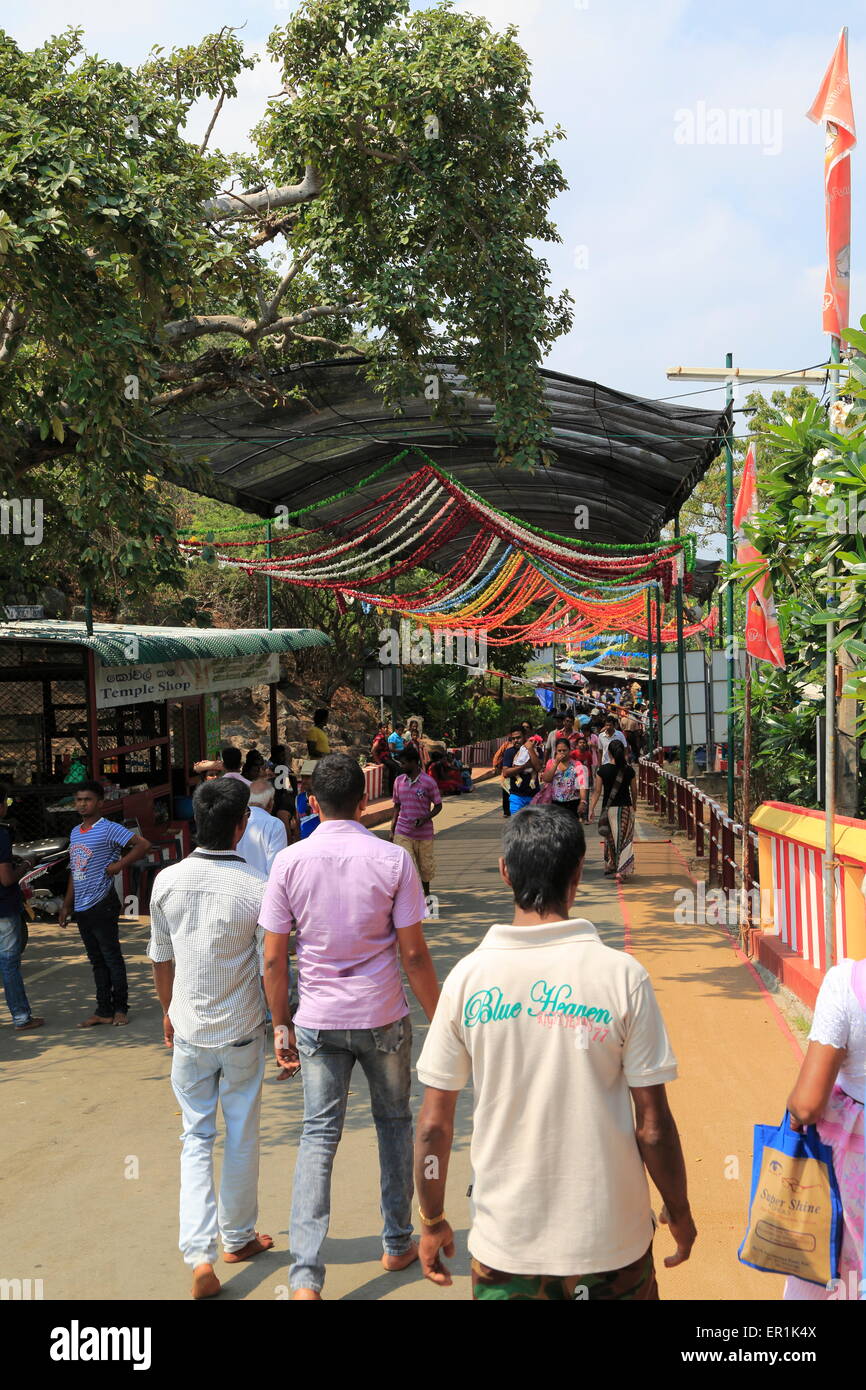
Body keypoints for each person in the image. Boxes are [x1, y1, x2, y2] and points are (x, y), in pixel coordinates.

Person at [413, 806, 694, 1300]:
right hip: (613, 1240)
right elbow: (653, 1125)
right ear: (578, 873)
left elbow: (434, 1127)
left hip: (507, 1246)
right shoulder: (622, 977)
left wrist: (432, 1219)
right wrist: (680, 1207)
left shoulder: (466, 980)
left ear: (505, 870)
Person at [260, 753, 441, 1300]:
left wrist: (280, 1027)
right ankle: (397, 1241)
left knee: (318, 1135)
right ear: (365, 802)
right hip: (383, 1015)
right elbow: (413, 955)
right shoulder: (393, 861)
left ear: (312, 803)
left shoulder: (289, 862)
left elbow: (273, 960)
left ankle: (306, 1278)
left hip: (316, 1022)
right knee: (393, 1123)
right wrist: (444, 1018)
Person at [148, 778, 273, 1300]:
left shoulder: (166, 882)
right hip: (242, 1031)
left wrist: (167, 1012)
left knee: (195, 1139)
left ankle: (199, 1258)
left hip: (190, 1031)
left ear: (195, 822)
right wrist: (283, 1026)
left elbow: (161, 957)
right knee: (241, 1132)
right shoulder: (259, 889)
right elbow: (272, 967)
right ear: (242, 826)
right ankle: (237, 1238)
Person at [784, 957, 866, 1301]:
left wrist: (795, 1110)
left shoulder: (847, 983)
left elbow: (807, 1104)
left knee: (833, 1273)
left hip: (853, 1169)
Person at [59, 782, 151, 1028]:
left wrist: (119, 865)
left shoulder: (109, 829)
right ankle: (103, 1010)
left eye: (87, 799)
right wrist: (67, 905)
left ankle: (120, 1008)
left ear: (100, 802)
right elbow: (74, 869)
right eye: (78, 800)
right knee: (96, 959)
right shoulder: (76, 832)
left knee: (111, 957)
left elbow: (143, 845)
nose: (82, 804)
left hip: (102, 902)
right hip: (82, 905)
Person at [0, 786, 42, 1030]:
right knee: (8, 963)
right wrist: (26, 864)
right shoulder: (2, 834)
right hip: (3, 908)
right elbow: (6, 878)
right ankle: (21, 1017)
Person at [391, 746, 442, 899]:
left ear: (414, 762)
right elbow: (397, 805)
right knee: (406, 866)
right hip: (403, 831)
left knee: (425, 868)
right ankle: (409, 899)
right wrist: (392, 829)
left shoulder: (428, 782)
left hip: (424, 833)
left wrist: (425, 818)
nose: (401, 766)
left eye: (404, 763)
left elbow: (438, 805)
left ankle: (426, 895)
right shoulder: (399, 781)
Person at [589, 739, 637, 881]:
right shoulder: (629, 770)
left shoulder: (602, 770)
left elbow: (597, 792)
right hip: (625, 808)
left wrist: (591, 809)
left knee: (610, 838)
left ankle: (611, 864)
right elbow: (634, 791)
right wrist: (634, 805)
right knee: (625, 839)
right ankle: (622, 870)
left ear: (608, 752)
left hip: (608, 809)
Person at [237, 779, 288, 877]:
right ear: (270, 803)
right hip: (262, 886)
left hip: (235, 884)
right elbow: (275, 867)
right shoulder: (274, 824)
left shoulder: (235, 820)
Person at [541, 737, 590, 820]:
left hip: (572, 802)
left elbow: (582, 785)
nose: (562, 753)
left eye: (564, 750)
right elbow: (546, 779)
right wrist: (555, 764)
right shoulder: (551, 763)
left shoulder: (577, 764)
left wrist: (583, 801)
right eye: (559, 751)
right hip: (555, 803)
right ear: (556, 751)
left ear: (569, 750)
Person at [501, 727, 541, 815]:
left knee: (534, 826)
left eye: (518, 737)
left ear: (525, 737)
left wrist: (530, 749)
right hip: (516, 796)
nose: (516, 740)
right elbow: (506, 773)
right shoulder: (509, 752)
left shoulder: (535, 749)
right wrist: (524, 766)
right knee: (517, 825)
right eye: (513, 738)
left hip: (534, 796)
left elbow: (538, 768)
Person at [371, 722, 401, 796]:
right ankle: (392, 791)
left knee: (396, 768)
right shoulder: (379, 737)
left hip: (387, 757)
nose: (386, 729)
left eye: (386, 727)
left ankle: (393, 790)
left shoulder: (384, 737)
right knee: (396, 768)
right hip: (383, 758)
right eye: (384, 727)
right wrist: (379, 762)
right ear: (380, 729)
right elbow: (373, 750)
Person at [295, 762, 320, 839]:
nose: (304, 781)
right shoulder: (298, 798)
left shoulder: (325, 798)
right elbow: (298, 824)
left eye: (308, 777)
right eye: (303, 777)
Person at [492, 734, 513, 819]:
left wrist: (494, 766)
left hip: (511, 772)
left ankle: (507, 811)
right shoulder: (506, 745)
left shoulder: (506, 745)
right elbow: (497, 756)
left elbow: (497, 756)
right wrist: (495, 766)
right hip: (508, 772)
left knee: (507, 792)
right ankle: (507, 811)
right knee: (507, 792)